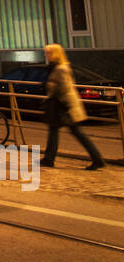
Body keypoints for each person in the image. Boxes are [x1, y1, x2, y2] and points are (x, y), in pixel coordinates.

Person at [41, 43, 104, 171]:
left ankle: (97, 158)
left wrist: (50, 86)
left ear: (54, 54)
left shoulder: (61, 69)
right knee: (55, 130)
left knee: (76, 132)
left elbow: (64, 88)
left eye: (48, 53)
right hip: (62, 105)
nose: (46, 55)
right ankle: (49, 158)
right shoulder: (57, 67)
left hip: (64, 106)